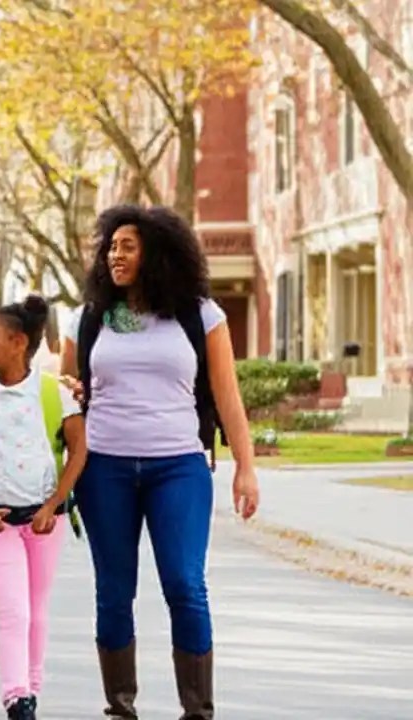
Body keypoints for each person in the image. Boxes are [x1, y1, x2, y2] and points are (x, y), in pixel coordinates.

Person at [65, 205, 260, 720]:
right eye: (110, 247)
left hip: (178, 466)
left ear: (158, 251)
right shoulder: (87, 318)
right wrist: (69, 391)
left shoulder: (200, 315)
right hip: (103, 468)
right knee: (114, 591)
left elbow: (228, 395)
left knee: (185, 584)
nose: (115, 255)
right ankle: (120, 707)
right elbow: (65, 403)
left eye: (127, 246)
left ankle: (197, 710)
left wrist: (246, 465)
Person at [0, 296, 87, 720]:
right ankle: (17, 697)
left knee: (37, 611)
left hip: (45, 520)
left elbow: (78, 449)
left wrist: (54, 503)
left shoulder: (54, 393)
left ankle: (32, 687)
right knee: (13, 609)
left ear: (18, 342)